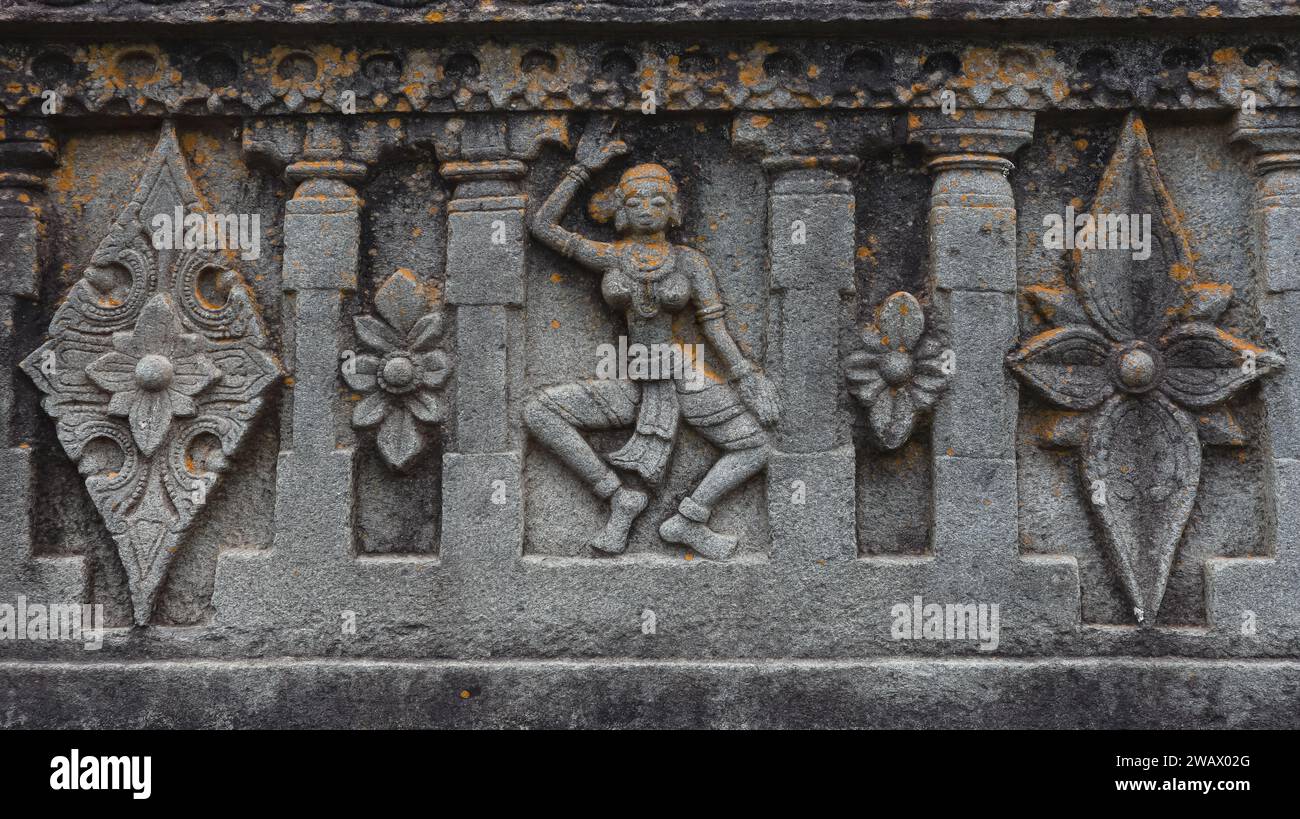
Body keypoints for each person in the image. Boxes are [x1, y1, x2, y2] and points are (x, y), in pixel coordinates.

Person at [525, 117, 779, 559]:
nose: (647, 209)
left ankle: (690, 517)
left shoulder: (689, 261)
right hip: (632, 371)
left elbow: (714, 326)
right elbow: (544, 227)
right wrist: (580, 170)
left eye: (658, 201)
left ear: (672, 209)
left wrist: (747, 375)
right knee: (539, 412)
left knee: (754, 446)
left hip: (679, 372)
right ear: (622, 210)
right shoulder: (613, 256)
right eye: (636, 202)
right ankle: (618, 497)